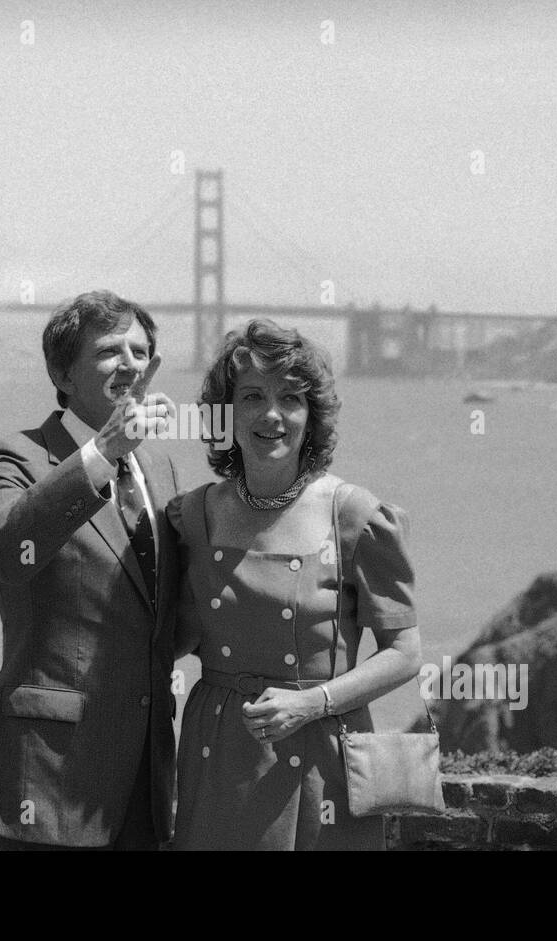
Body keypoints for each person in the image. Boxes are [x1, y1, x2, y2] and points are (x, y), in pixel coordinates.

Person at [166, 319, 423, 850]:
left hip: (322, 752)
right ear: (225, 413)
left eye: (290, 398)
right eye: (252, 396)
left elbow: (404, 653)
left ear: (313, 416)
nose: (271, 415)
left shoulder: (356, 517)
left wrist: (312, 703)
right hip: (219, 752)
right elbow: (174, 636)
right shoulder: (190, 515)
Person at [0, 290, 180, 850]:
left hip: (145, 779)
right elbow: (10, 553)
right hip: (51, 775)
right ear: (62, 372)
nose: (130, 364)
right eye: (110, 351)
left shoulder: (158, 466)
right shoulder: (14, 457)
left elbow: (170, 612)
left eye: (140, 352)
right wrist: (102, 453)